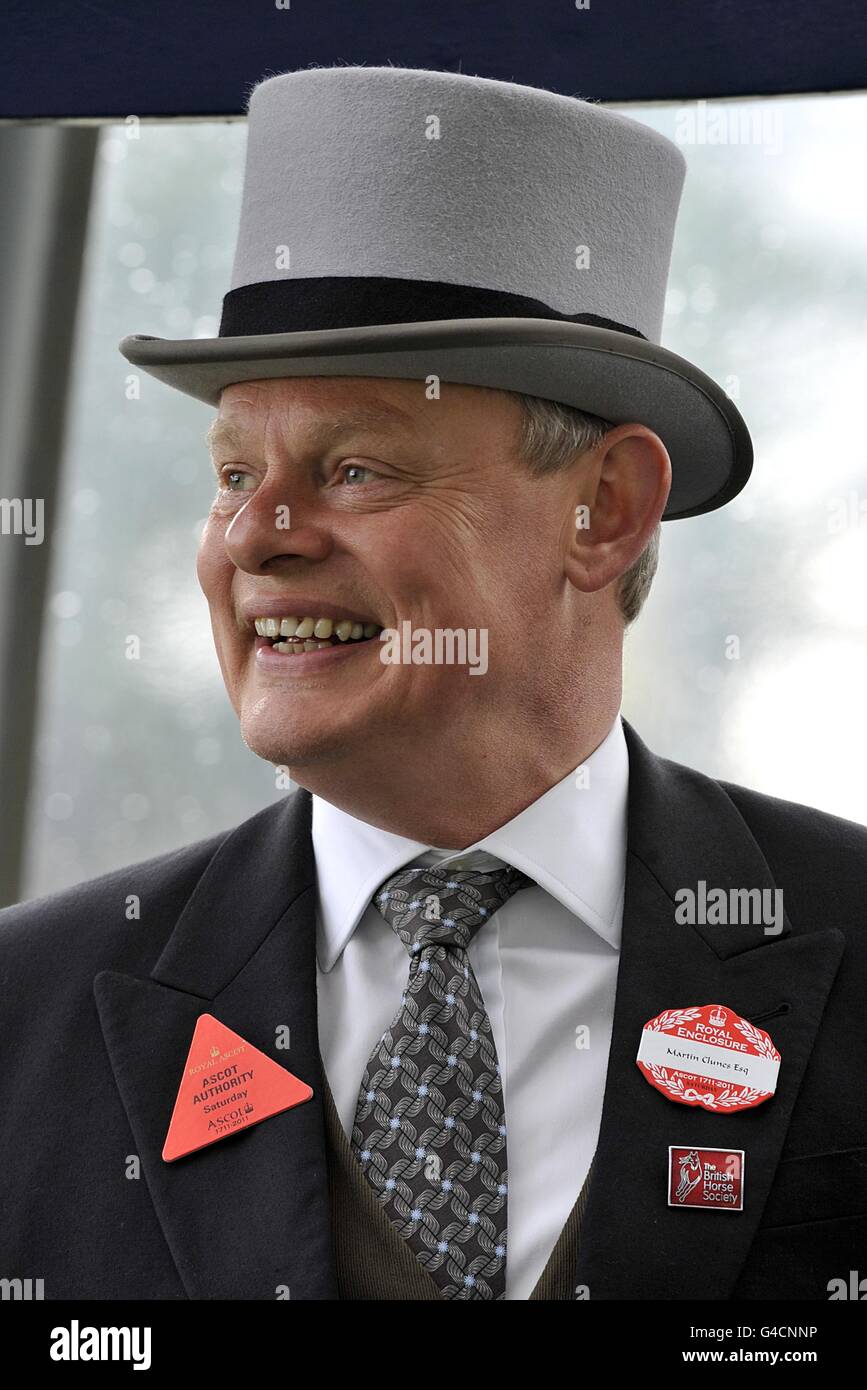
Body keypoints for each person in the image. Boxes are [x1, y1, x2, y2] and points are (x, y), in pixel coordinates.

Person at [1, 65, 865, 1302]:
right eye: (237, 476)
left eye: (355, 468)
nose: (256, 537)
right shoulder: (23, 1017)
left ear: (604, 510)